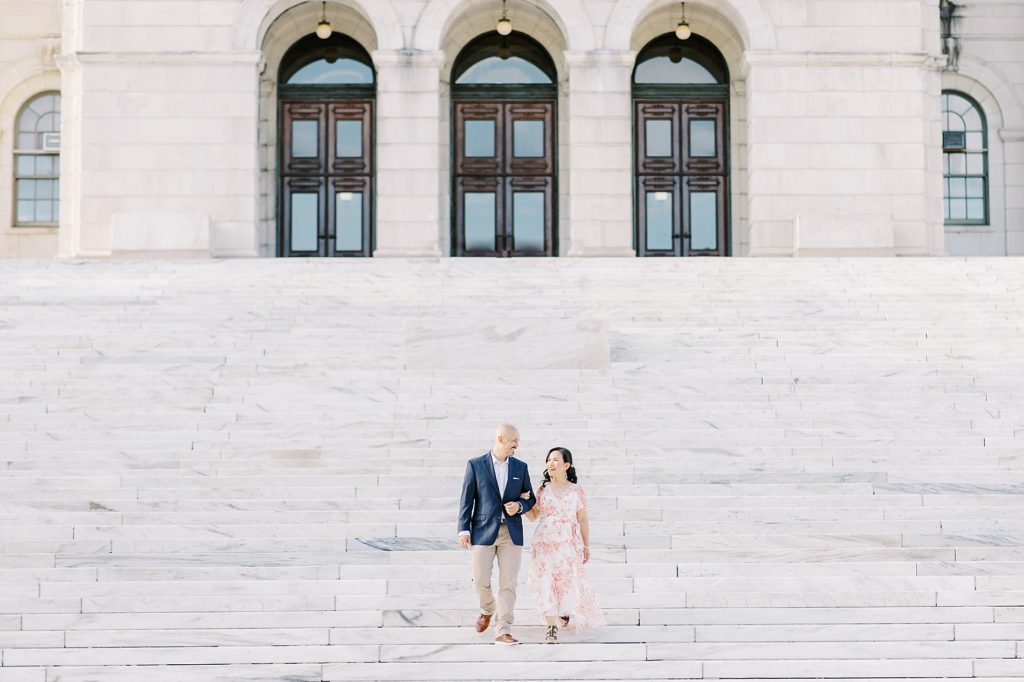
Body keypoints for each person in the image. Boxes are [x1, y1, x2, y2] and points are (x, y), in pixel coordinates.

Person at [457, 423, 536, 645]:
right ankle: (488, 608)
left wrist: (519, 506)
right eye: (514, 440)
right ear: (500, 439)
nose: (517, 445)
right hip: (483, 530)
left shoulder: (520, 467)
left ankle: (503, 629)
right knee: (479, 577)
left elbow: (530, 499)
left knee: (508, 582)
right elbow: (467, 499)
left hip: (511, 533)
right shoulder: (475, 465)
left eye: (517, 441)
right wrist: (463, 529)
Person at [523, 446, 605, 644]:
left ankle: (565, 611)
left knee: (567, 582)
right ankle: (551, 627)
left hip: (567, 543)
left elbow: (583, 519)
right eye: (548, 460)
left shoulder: (577, 490)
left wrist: (586, 545)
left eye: (555, 460)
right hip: (544, 542)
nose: (550, 463)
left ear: (566, 465)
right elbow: (533, 516)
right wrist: (523, 503)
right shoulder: (542, 490)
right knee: (546, 582)